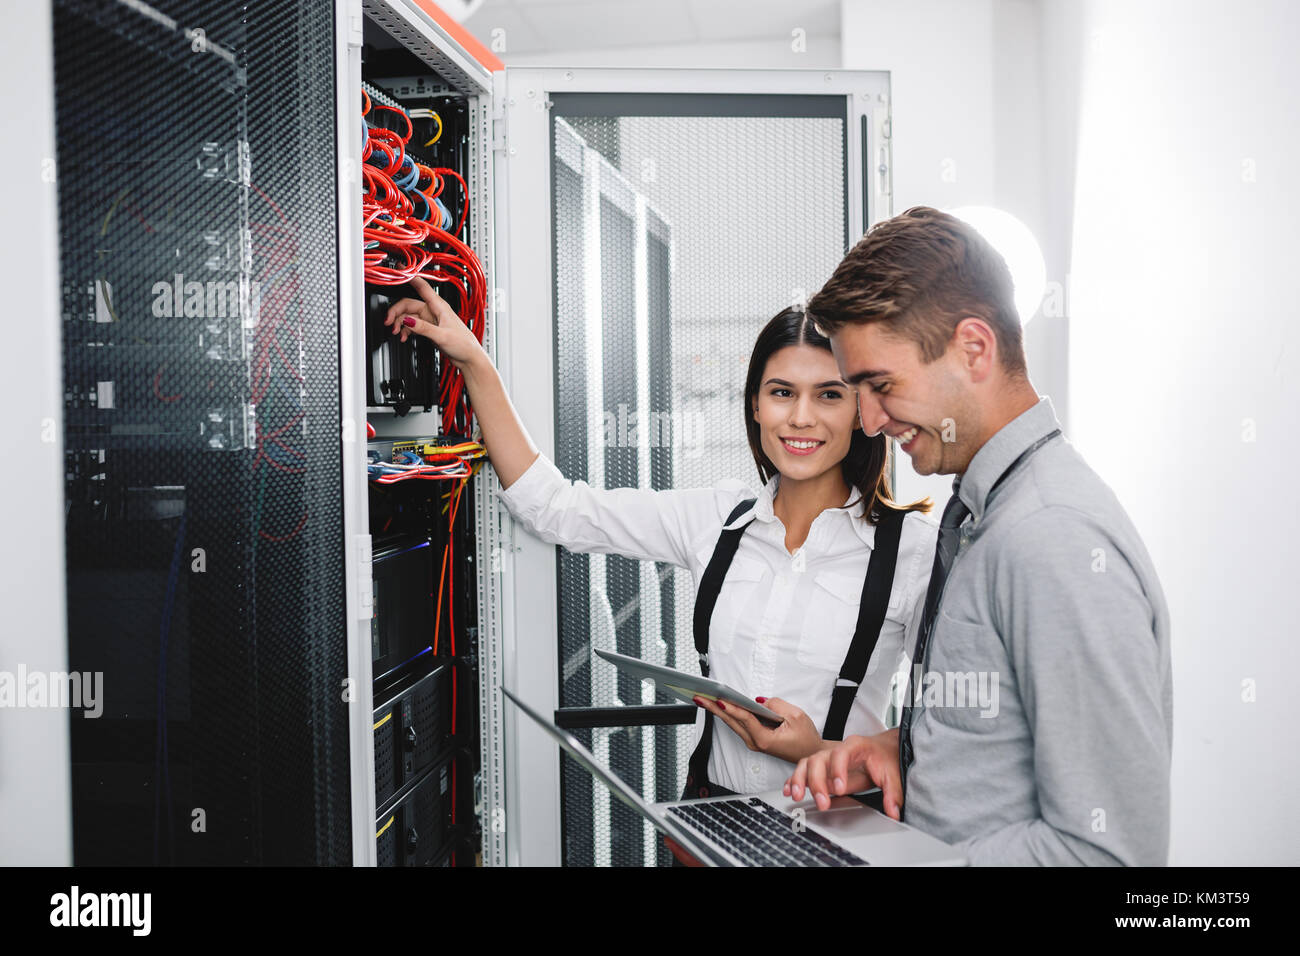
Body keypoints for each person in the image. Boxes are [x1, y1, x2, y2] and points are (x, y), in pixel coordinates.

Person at [384, 279, 935, 803]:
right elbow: (557, 510)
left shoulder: (912, 553)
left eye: (829, 395)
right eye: (782, 392)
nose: (800, 417)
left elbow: (952, 736)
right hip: (714, 819)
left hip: (840, 829)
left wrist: (816, 750)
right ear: (755, 406)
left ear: (862, 410)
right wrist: (473, 361)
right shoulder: (716, 519)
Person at [785, 206, 1173, 866]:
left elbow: (1109, 855)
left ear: (974, 348)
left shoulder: (1051, 538)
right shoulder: (981, 513)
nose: (870, 421)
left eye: (881, 386)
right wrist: (904, 747)